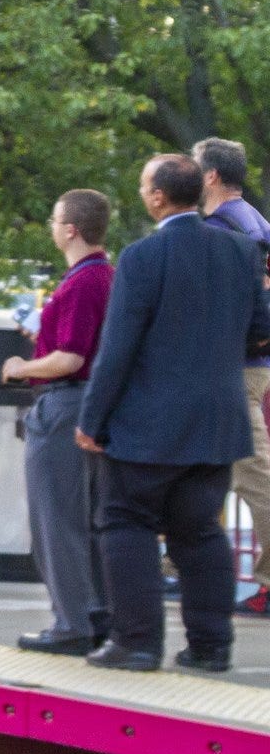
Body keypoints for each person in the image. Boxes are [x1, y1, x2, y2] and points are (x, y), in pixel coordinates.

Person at [77, 153, 270, 671]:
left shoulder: (142, 257)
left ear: (158, 196)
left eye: (144, 185)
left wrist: (91, 421)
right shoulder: (241, 251)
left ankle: (136, 643)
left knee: (126, 523)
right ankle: (211, 648)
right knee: (201, 531)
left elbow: (117, 349)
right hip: (218, 421)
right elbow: (260, 327)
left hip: (149, 425)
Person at [0, 189, 113, 654]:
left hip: (64, 406)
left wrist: (21, 366)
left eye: (54, 219)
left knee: (56, 522)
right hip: (90, 406)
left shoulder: (82, 281)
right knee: (88, 521)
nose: (50, 226)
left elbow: (70, 357)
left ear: (71, 229)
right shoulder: (104, 276)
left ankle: (71, 623)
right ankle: (96, 614)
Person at [194, 137, 270, 616]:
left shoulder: (229, 228)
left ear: (210, 176)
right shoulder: (253, 221)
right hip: (244, 365)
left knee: (255, 475)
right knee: (204, 470)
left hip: (237, 367)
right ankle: (184, 567)